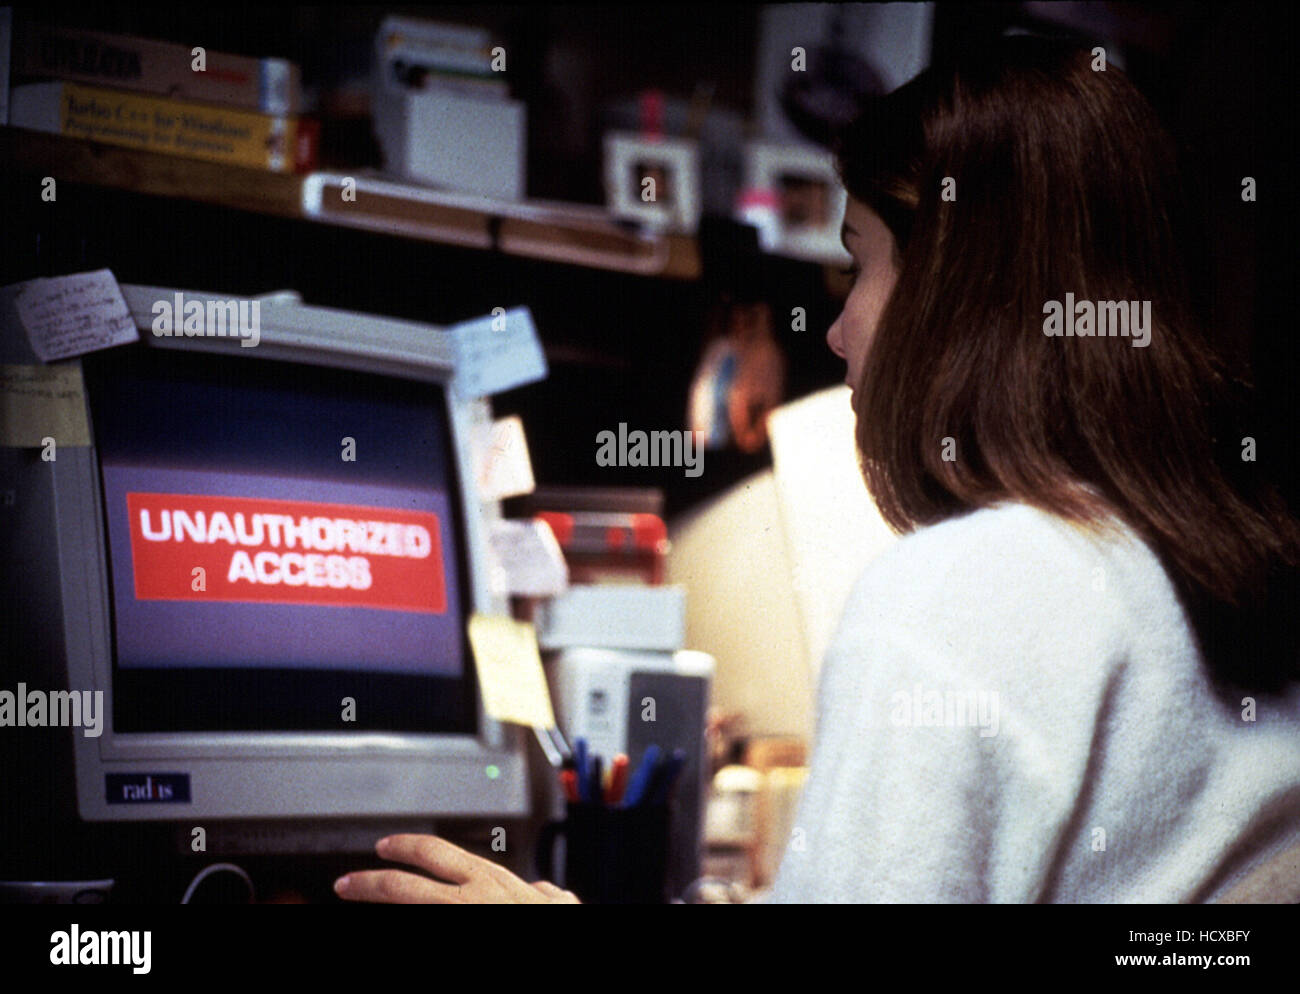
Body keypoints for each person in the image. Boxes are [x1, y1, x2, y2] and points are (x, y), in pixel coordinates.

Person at [333, 36, 1300, 905]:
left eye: (860, 266)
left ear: (952, 291)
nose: (837, 334)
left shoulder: (968, 592)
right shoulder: (1224, 571)